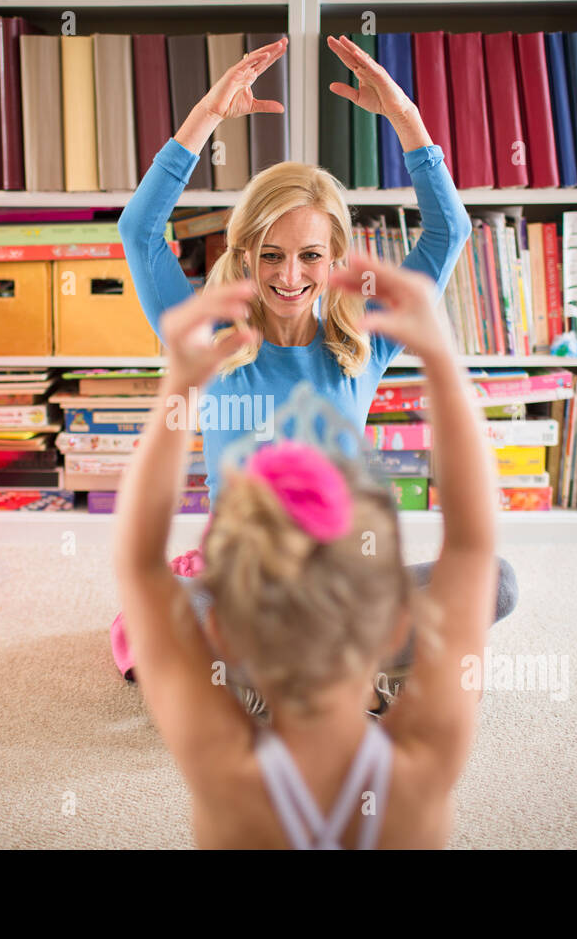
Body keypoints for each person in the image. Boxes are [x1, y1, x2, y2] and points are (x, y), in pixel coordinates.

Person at [109, 36, 516, 689]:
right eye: (271, 254)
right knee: (169, 613)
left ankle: (296, 669)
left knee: (493, 582)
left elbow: (448, 233)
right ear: (245, 257)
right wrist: (207, 115)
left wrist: (404, 117)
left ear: (335, 261)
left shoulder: (365, 336)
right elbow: (138, 229)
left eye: (309, 256)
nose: (290, 275)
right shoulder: (211, 338)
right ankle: (320, 670)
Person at [112, 257, 498, 848]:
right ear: (398, 624)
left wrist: (179, 385)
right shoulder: (420, 772)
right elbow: (472, 548)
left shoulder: (227, 777)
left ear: (225, 634)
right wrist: (442, 362)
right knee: (493, 578)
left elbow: (139, 566)